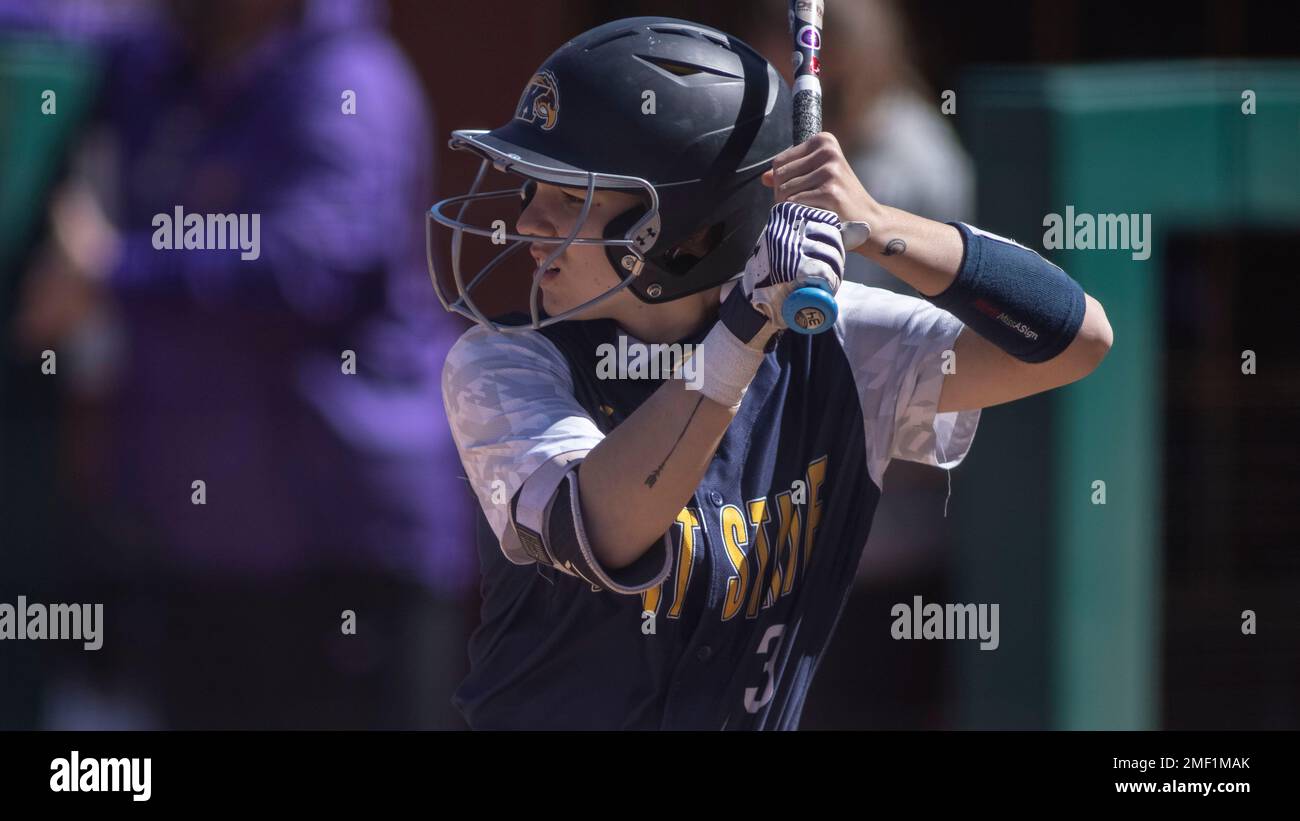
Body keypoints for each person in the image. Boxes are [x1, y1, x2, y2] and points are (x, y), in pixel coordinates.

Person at [431, 16, 1112, 729]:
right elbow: (600, 527)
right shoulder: (503, 361)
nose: (529, 226)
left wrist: (879, 225)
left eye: (571, 198)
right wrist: (744, 330)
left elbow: (1078, 338)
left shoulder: (830, 340)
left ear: (689, 234)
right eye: (533, 189)